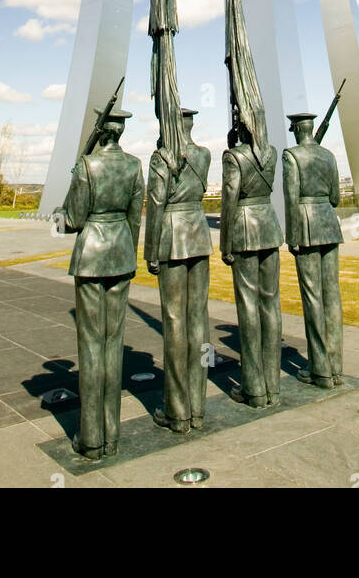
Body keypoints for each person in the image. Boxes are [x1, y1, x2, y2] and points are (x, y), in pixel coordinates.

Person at [60, 109, 144, 461]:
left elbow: (72, 219)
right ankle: (112, 434)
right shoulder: (134, 166)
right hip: (121, 252)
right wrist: (128, 249)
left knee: (91, 345)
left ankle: (92, 438)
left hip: (92, 255)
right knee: (114, 343)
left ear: (101, 132)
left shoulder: (88, 166)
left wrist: (73, 184)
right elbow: (134, 216)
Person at [145, 108, 212, 434]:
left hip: (171, 237)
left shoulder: (162, 158)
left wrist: (150, 251)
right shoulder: (204, 156)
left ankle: (177, 411)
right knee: (199, 320)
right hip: (198, 236)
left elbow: (156, 204)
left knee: (174, 322)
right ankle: (198, 407)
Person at [220, 118, 283, 408]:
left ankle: (254, 388)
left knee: (248, 306)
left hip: (245, 229)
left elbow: (230, 197)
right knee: (271, 303)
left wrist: (225, 243)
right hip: (269, 227)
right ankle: (273, 385)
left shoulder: (234, 157)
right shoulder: (270, 152)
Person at [282, 114, 344, 388]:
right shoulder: (329, 156)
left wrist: (293, 236)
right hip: (329, 225)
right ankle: (335, 366)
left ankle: (319, 369)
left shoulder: (291, 157)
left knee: (313, 298)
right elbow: (336, 198)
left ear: (296, 130)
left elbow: (291, 198)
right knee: (332, 297)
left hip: (307, 228)